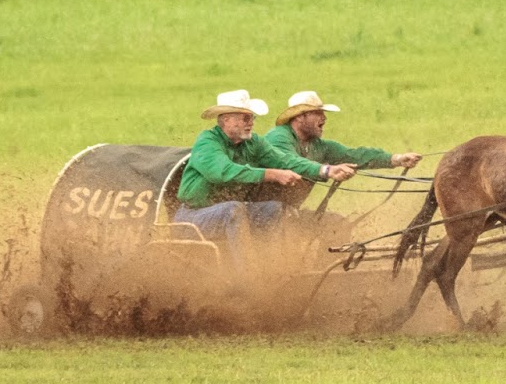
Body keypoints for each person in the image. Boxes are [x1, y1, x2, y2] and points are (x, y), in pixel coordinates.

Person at [175, 89, 357, 258]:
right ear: (227, 119)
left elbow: (286, 160)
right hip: (194, 217)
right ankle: (248, 277)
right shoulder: (207, 141)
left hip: (232, 210)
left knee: (274, 209)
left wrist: (325, 169)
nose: (251, 123)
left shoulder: (253, 142)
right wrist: (272, 174)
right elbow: (222, 172)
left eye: (252, 117)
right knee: (233, 209)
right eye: (246, 118)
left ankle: (274, 268)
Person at [261, 91, 422, 208]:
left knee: (337, 223)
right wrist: (326, 170)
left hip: (288, 213)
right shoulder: (278, 137)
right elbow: (291, 163)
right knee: (275, 213)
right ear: (299, 116)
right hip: (261, 211)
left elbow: (355, 155)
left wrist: (396, 159)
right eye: (317, 113)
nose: (324, 118)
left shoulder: (319, 145)